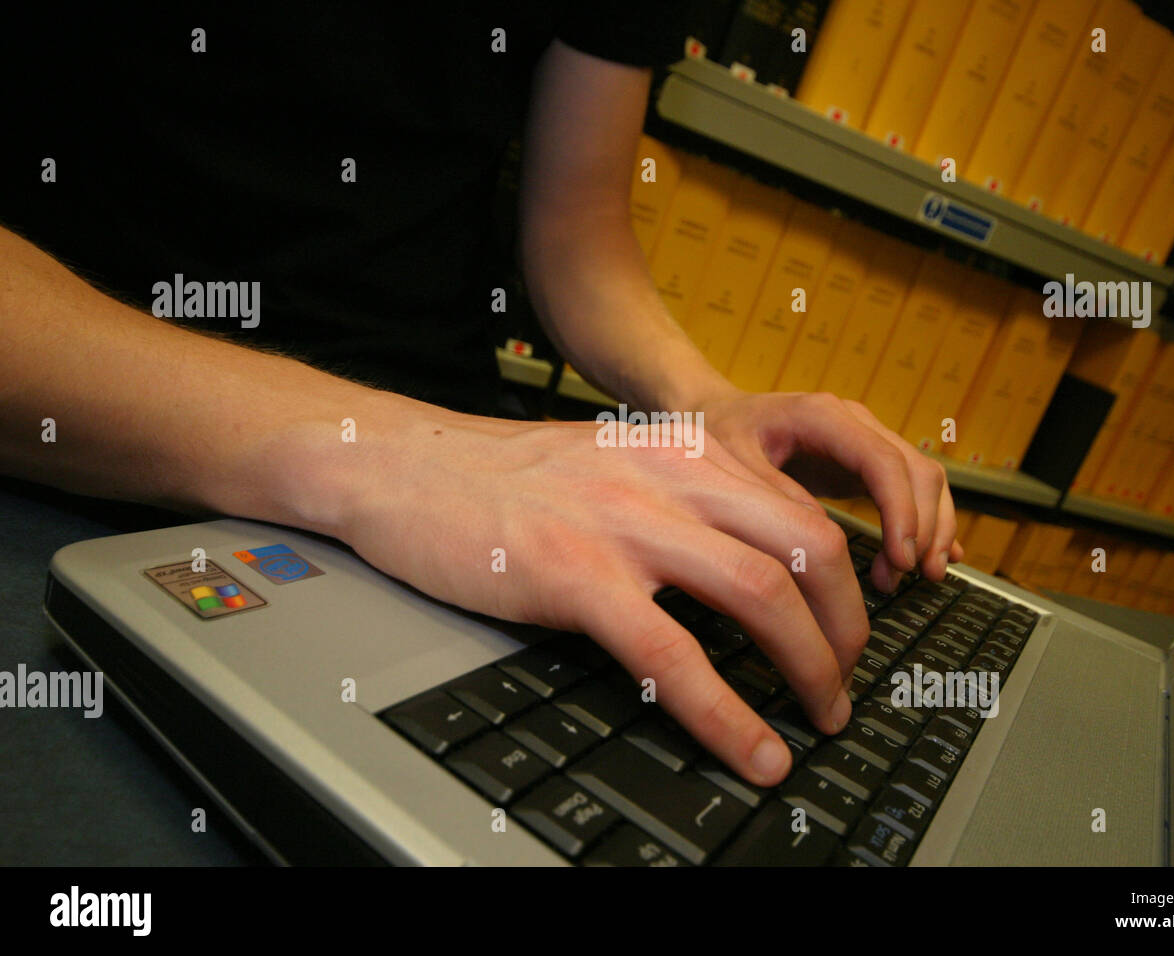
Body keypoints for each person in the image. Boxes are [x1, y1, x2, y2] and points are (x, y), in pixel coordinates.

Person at [0, 3, 963, 787]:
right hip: (90, 444)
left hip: (462, 479)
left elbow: (579, 227)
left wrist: (701, 400)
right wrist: (383, 454)